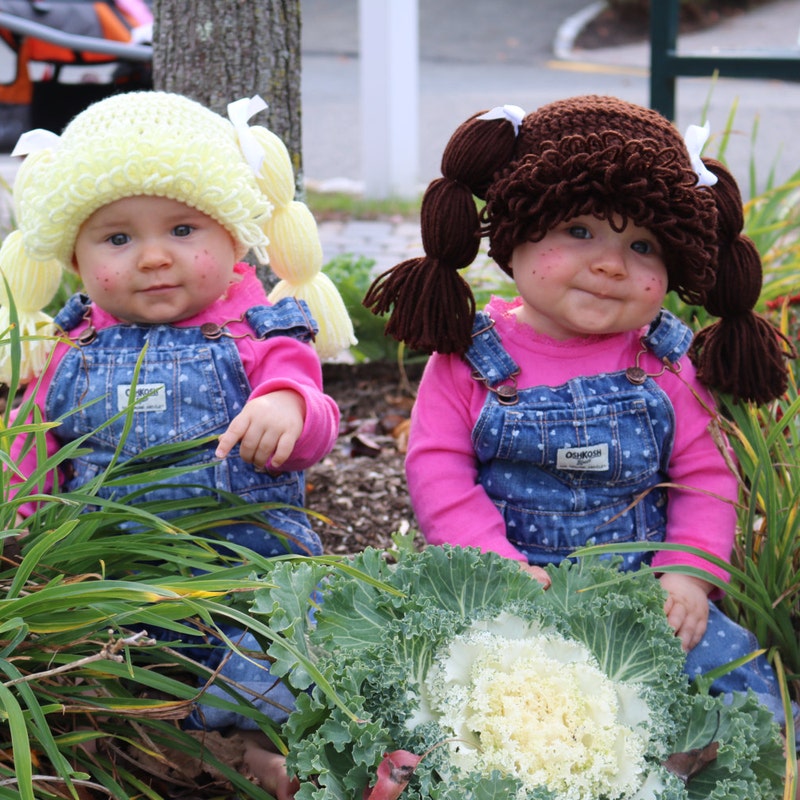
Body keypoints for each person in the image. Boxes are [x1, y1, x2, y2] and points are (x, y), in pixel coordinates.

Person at [364, 96, 796, 733]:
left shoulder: (665, 361)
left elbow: (706, 475)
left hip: (641, 600)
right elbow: (439, 474)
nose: (610, 264)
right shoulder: (470, 360)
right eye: (580, 231)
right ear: (517, 231)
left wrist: (686, 573)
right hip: (504, 588)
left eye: (642, 245)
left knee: (744, 700)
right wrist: (495, 569)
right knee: (423, 697)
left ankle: (697, 758)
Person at [0, 90, 356, 799]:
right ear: (75, 254)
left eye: (183, 228)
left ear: (232, 236)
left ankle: (258, 745)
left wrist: (286, 407)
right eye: (119, 238)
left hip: (247, 565)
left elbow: (315, 414)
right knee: (122, 667)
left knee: (271, 657)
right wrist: (23, 522)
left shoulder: (262, 333)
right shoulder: (74, 344)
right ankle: (159, 748)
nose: (155, 257)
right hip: (113, 566)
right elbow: (34, 445)